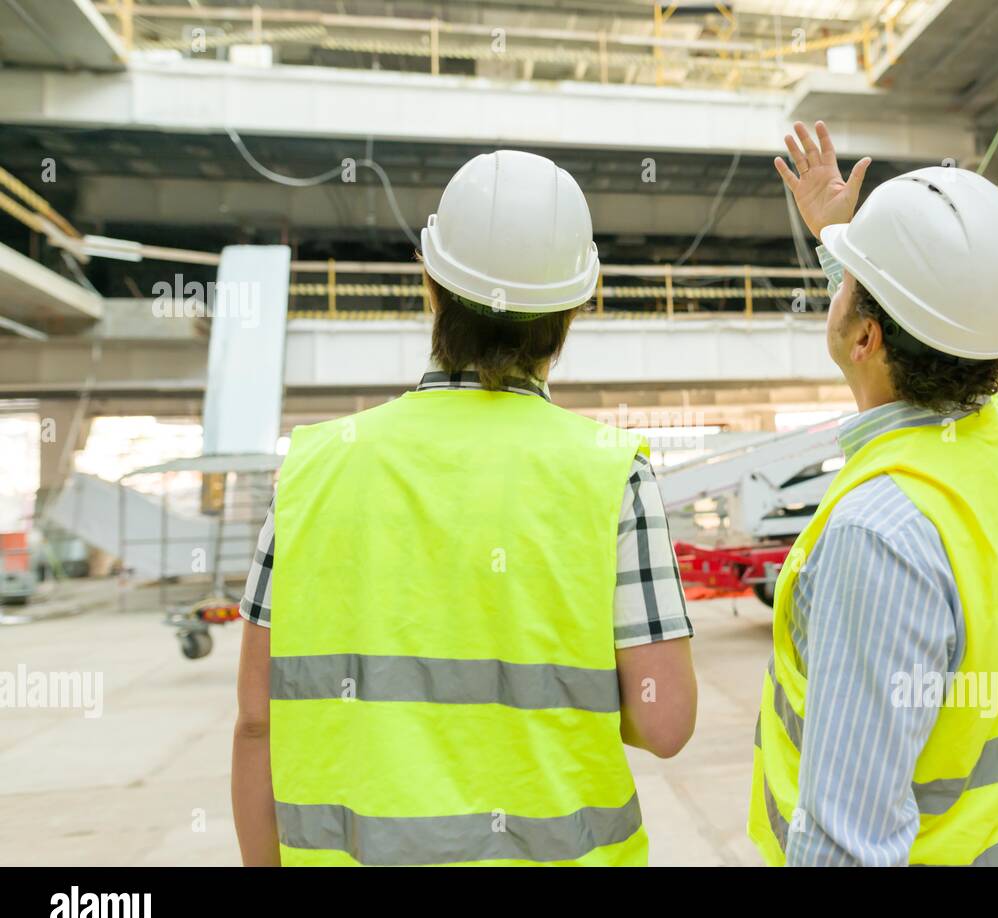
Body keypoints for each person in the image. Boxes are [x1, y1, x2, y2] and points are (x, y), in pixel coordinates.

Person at [232, 149, 697, 867]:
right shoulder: (609, 475)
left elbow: (260, 723)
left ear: (431, 282)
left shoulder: (314, 470)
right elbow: (665, 721)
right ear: (577, 306)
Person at [749, 122, 998, 866]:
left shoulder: (879, 533)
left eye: (847, 283)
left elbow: (847, 843)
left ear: (865, 340)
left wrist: (854, 253)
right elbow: (916, 328)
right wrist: (843, 245)